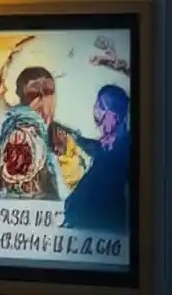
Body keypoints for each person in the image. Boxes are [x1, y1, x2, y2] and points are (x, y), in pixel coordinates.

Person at [0, 66, 69, 201]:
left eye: (48, 92)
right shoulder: (15, 126)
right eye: (34, 94)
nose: (43, 99)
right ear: (21, 96)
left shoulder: (59, 131)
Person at [60, 85, 132, 234]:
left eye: (102, 107)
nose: (97, 112)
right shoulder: (107, 148)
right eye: (97, 106)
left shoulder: (119, 151)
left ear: (116, 115)